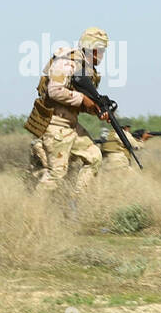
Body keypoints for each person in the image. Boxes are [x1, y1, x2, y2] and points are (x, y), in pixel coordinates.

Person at [23, 28, 111, 193]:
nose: (102, 55)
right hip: (55, 125)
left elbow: (81, 104)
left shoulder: (88, 70)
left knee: (94, 157)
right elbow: (54, 90)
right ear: (91, 48)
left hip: (70, 125)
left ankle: (77, 202)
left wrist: (97, 109)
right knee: (56, 175)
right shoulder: (67, 61)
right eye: (100, 51)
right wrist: (83, 99)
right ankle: (33, 212)